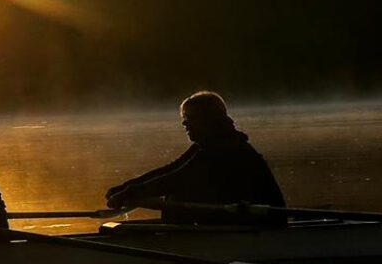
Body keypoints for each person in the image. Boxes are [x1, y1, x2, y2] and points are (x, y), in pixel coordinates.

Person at [105, 92, 285, 225]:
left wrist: (129, 194)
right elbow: (171, 169)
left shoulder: (226, 148)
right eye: (184, 118)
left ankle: (177, 244)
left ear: (207, 120)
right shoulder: (208, 144)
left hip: (260, 223)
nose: (184, 123)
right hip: (234, 218)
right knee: (176, 197)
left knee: (177, 194)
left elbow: (176, 180)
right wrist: (125, 188)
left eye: (189, 118)